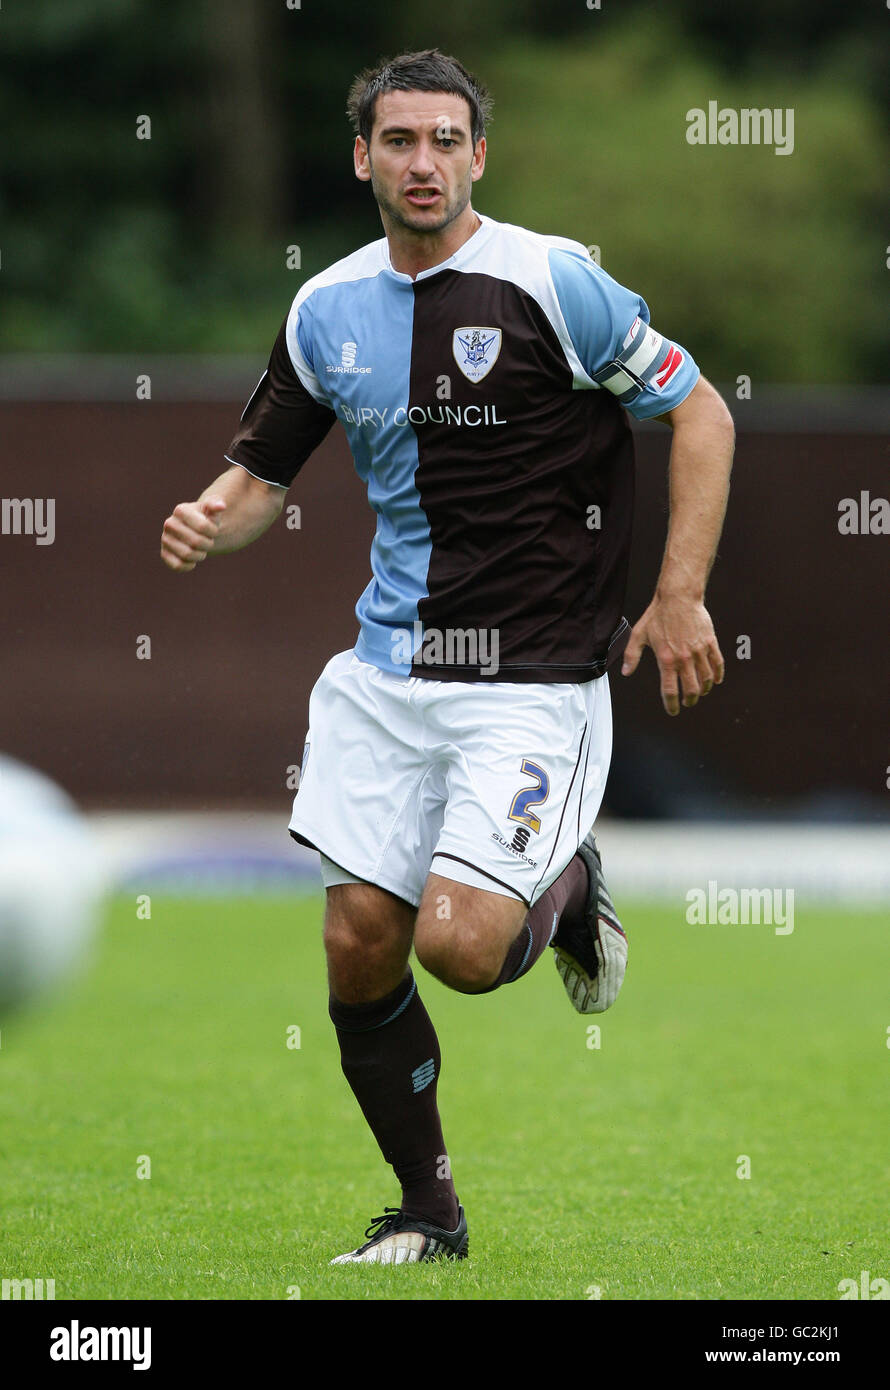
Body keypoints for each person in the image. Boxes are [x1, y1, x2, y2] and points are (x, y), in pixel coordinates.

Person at [160, 48, 734, 1266]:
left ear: (479, 153)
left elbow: (699, 410)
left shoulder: (553, 283)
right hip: (384, 674)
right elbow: (263, 476)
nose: (424, 162)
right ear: (361, 155)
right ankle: (428, 1213)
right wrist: (214, 516)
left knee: (462, 949)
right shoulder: (326, 308)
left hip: (531, 681)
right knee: (357, 942)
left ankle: (565, 880)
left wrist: (677, 594)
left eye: (446, 140)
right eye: (399, 140)